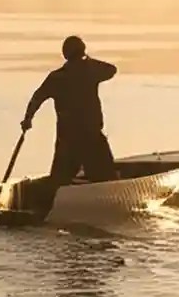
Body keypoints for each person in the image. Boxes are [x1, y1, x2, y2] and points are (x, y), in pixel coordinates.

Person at [22, 36, 118, 186]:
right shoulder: (90, 71)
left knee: (59, 180)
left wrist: (28, 119)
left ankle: (53, 198)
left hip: (67, 138)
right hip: (91, 137)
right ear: (83, 52)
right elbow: (112, 69)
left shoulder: (57, 77)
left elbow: (37, 98)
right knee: (106, 179)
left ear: (65, 55)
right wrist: (88, 60)